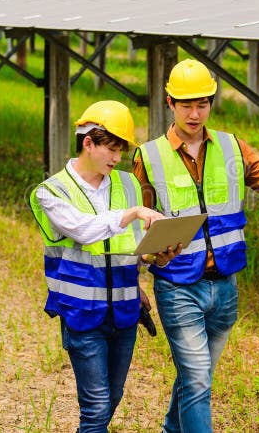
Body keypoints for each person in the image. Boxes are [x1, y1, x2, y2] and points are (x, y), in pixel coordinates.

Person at [133, 59, 259, 432]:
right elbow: (137, 226)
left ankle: (172, 429)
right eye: (186, 104)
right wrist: (139, 271)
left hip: (225, 289)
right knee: (199, 381)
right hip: (178, 287)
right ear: (170, 103)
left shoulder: (232, 147)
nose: (194, 112)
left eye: (202, 103)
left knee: (194, 379)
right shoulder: (149, 157)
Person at [29, 100, 180, 433]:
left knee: (112, 398)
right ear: (88, 143)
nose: (116, 158)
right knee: (96, 407)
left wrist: (158, 254)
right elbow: (84, 230)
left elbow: (133, 245)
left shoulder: (126, 184)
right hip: (82, 313)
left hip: (124, 312)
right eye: (110, 149)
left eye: (120, 151)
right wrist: (133, 213)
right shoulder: (52, 191)